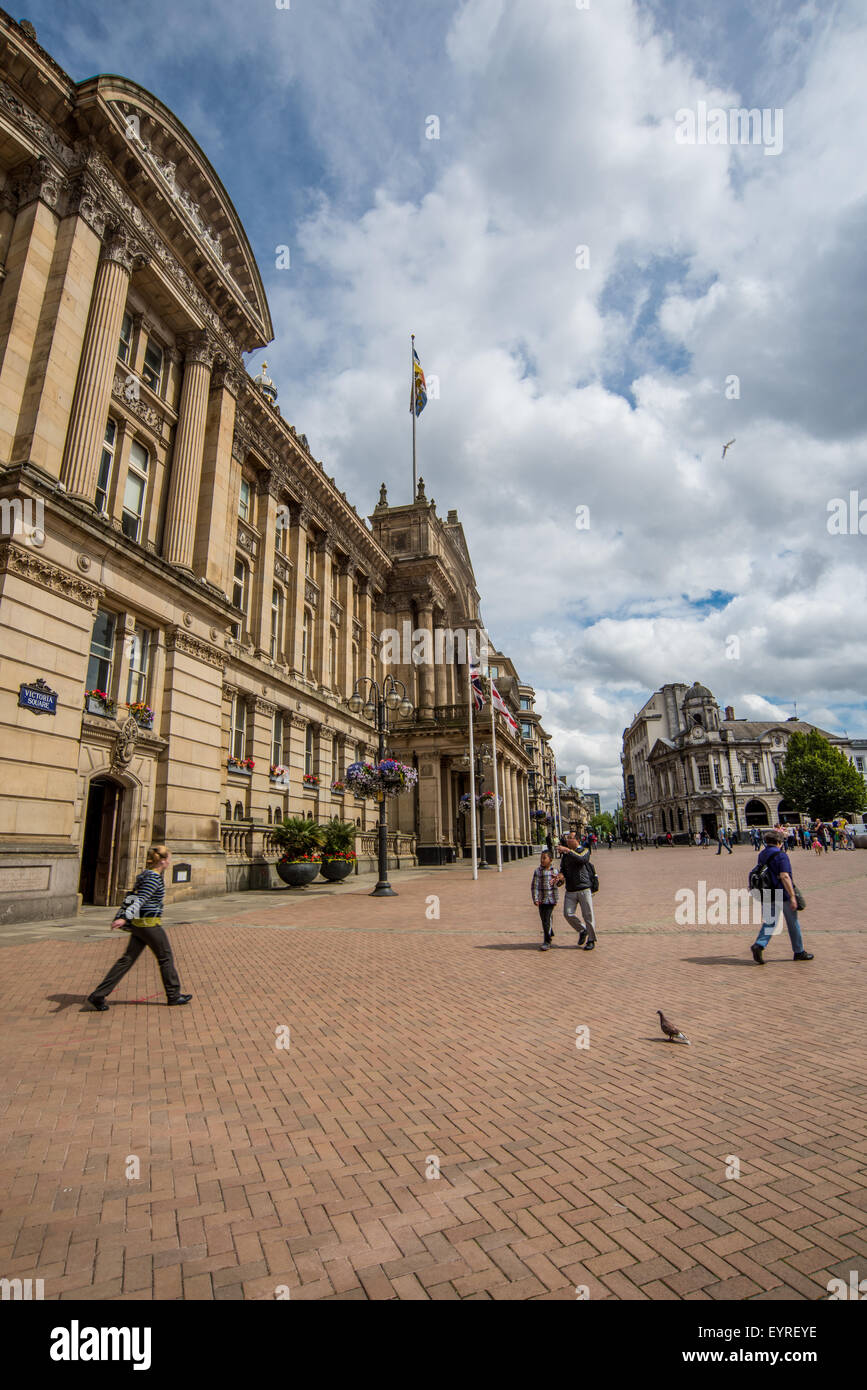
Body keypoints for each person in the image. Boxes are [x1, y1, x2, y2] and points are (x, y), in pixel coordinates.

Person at [87, 845, 192, 1011]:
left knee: (126, 960)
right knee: (165, 957)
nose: (170, 861)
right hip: (149, 924)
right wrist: (124, 917)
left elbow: (132, 896)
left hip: (138, 925)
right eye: (169, 858)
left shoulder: (144, 875)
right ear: (163, 861)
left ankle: (99, 995)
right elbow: (140, 899)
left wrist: (122, 916)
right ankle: (173, 995)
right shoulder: (153, 878)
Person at [750, 829, 813, 965]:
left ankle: (759, 944)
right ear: (779, 842)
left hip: (766, 892)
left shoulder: (762, 854)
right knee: (793, 922)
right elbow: (784, 876)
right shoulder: (781, 855)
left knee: (770, 922)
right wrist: (792, 896)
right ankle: (799, 951)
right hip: (781, 893)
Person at [556, 831, 597, 949]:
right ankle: (582, 930)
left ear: (577, 840)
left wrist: (567, 851)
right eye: (567, 838)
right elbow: (563, 869)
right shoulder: (566, 856)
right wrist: (560, 876)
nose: (567, 840)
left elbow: (582, 859)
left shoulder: (584, 850)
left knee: (588, 915)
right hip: (571, 889)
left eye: (570, 838)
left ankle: (591, 939)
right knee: (567, 913)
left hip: (584, 888)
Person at [531, 850, 562, 951]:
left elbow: (560, 884)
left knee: (546, 919)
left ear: (550, 859)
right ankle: (550, 931)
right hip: (541, 899)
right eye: (541, 858)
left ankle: (547, 940)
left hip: (551, 899)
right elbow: (534, 886)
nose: (542, 860)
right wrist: (535, 898)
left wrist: (558, 880)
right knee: (543, 918)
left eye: (544, 858)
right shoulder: (538, 871)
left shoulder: (555, 871)